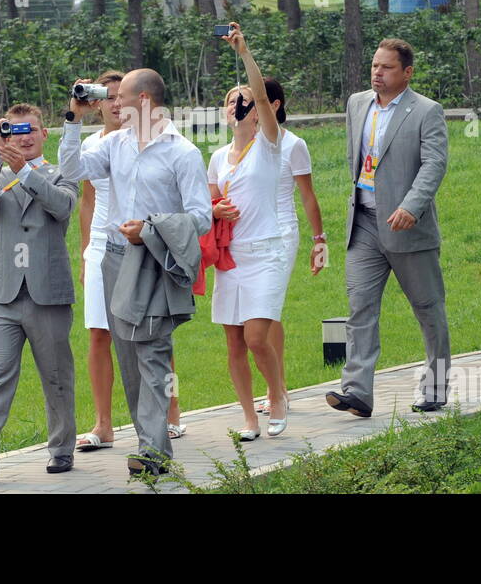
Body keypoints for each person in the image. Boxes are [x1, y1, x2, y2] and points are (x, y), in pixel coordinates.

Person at [61, 69, 212, 476]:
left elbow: (201, 217)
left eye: (119, 96)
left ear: (143, 100)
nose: (112, 104)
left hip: (155, 260)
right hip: (113, 258)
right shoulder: (115, 144)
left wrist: (150, 230)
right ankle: (152, 446)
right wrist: (72, 120)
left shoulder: (182, 152)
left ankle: (152, 449)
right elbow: (71, 171)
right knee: (128, 354)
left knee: (153, 352)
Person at [326, 38, 451, 416]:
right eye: (375, 66)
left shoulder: (427, 111)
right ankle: (358, 392)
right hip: (363, 223)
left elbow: (434, 164)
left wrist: (412, 205)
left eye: (387, 68)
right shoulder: (357, 103)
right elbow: (356, 157)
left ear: (407, 73)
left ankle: (436, 388)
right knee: (360, 308)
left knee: (428, 310)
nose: (377, 73)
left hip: (406, 227)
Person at [0, 104, 77, 479]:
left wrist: (25, 171)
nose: (23, 137)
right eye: (14, 131)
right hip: (3, 294)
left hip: (48, 293)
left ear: (45, 134)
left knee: (56, 376)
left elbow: (61, 207)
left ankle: (61, 449)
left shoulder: (61, 173)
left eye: (32, 130)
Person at [207, 26, 288, 439]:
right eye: (230, 101)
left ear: (257, 110)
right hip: (231, 259)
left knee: (258, 337)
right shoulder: (218, 157)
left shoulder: (270, 143)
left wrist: (244, 52)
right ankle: (249, 419)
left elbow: (258, 89)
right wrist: (215, 208)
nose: (238, 104)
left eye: (245, 100)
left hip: (265, 253)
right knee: (235, 344)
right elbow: (207, 204)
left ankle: (277, 395)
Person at [253, 77, 326, 417]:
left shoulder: (293, 144)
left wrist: (319, 241)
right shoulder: (245, 144)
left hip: (282, 231)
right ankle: (276, 386)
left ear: (275, 105)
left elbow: (308, 196)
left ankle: (277, 388)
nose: (245, 108)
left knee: (269, 310)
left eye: (254, 101)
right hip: (250, 233)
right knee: (260, 311)